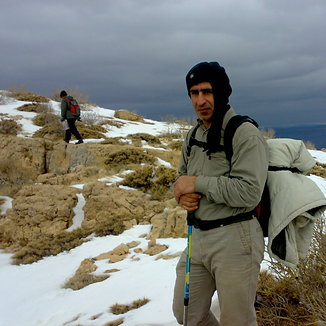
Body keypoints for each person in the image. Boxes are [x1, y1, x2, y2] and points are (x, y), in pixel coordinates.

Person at [172, 62, 269, 326]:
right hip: (197, 238)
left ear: (222, 93)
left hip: (236, 238)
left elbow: (249, 192)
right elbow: (181, 178)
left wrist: (198, 184)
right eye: (194, 93)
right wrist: (181, 194)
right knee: (187, 313)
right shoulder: (193, 136)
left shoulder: (244, 133)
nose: (200, 100)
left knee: (237, 320)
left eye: (207, 91)